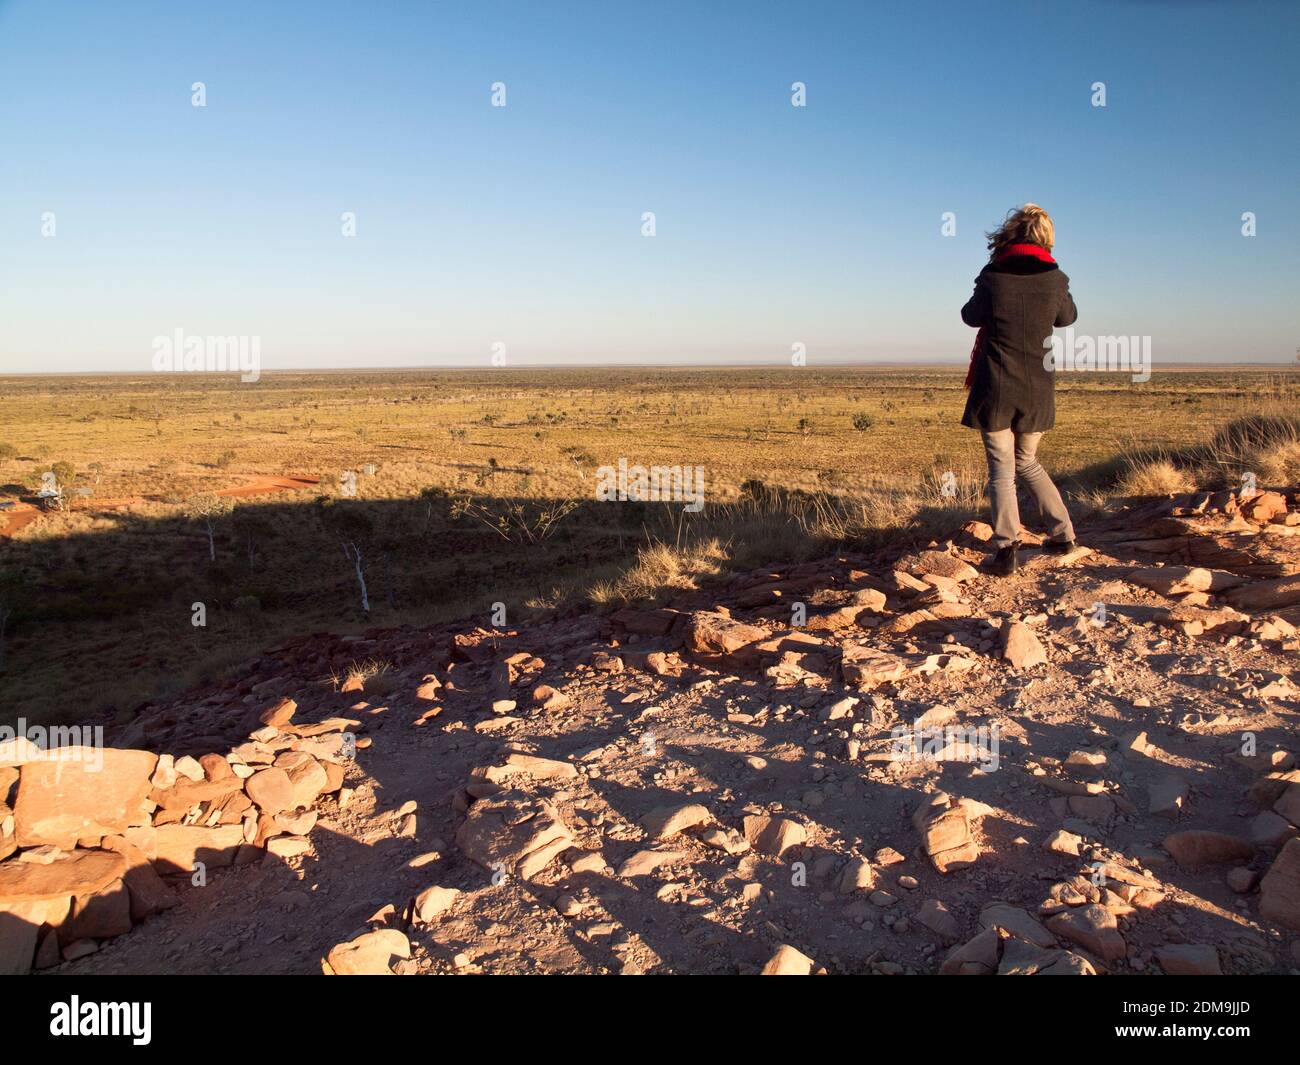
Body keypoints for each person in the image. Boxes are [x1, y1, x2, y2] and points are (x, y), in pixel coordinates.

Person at [960, 203, 1078, 576]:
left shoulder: (993, 274)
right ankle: (1063, 535)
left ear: (1010, 233)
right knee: (1027, 461)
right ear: (1046, 238)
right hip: (1037, 388)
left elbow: (970, 316)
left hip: (995, 385)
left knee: (1001, 469)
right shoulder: (1055, 277)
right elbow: (1067, 317)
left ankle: (1007, 549)